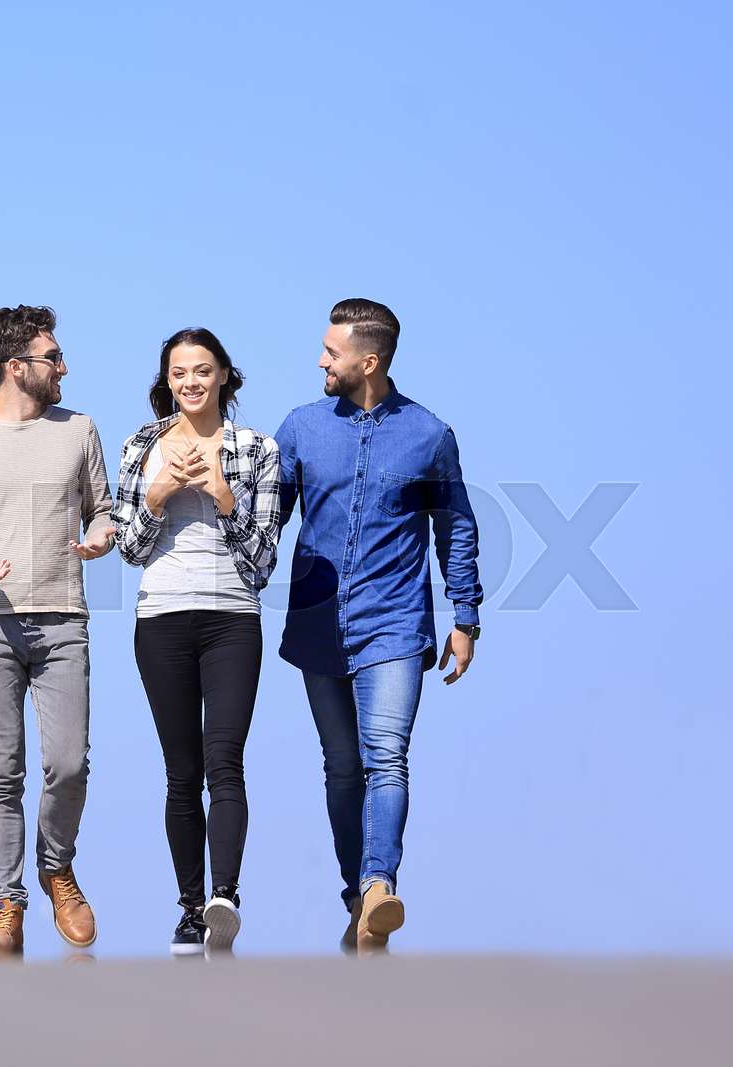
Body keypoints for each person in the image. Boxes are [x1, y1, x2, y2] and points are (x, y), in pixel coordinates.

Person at [275, 298, 482, 954]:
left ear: (369, 360)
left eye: (330, 352)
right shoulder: (302, 427)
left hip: (394, 623)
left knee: (385, 754)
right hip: (316, 624)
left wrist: (466, 615)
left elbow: (456, 526)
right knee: (341, 768)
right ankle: (356, 898)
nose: (319, 361)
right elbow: (263, 519)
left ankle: (378, 883)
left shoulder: (429, 435)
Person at [0, 305, 116, 958]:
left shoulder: (80, 429)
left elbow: (105, 511)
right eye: (53, 357)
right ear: (17, 367)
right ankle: (6, 906)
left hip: (64, 618)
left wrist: (98, 536)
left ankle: (56, 866)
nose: (64, 367)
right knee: (0, 773)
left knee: (68, 762)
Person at [111, 328, 281, 956]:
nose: (192, 382)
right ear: (167, 379)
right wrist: (158, 495)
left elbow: (262, 562)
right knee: (180, 772)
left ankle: (225, 898)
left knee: (224, 760)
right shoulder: (140, 446)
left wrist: (223, 496)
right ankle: (188, 908)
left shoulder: (256, 449)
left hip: (233, 618)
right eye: (180, 372)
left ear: (225, 377)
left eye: (203, 371)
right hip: (161, 620)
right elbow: (129, 549)